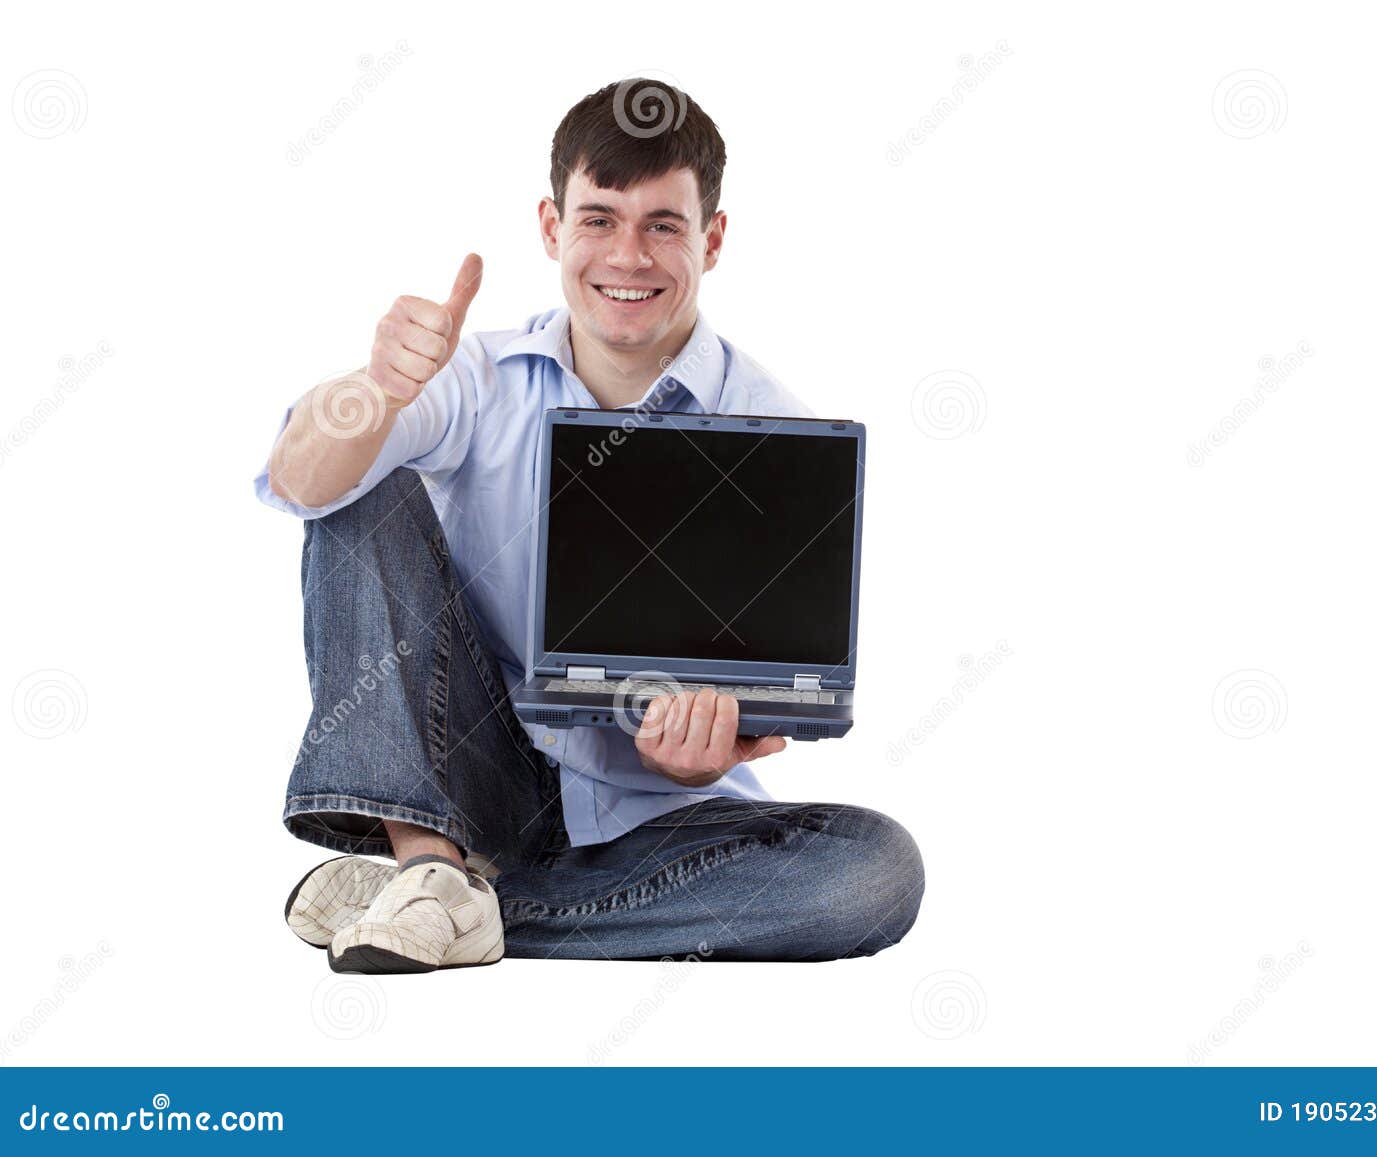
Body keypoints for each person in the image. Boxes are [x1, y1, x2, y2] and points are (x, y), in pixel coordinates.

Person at [255, 79, 923, 973]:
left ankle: (439, 901)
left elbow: (759, 717)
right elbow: (302, 486)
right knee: (360, 481)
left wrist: (698, 760)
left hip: (652, 823)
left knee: (872, 873)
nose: (629, 255)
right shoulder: (474, 375)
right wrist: (374, 392)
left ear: (712, 239)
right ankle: (428, 863)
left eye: (663, 225)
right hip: (467, 778)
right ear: (552, 228)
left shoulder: (776, 436)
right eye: (599, 219)